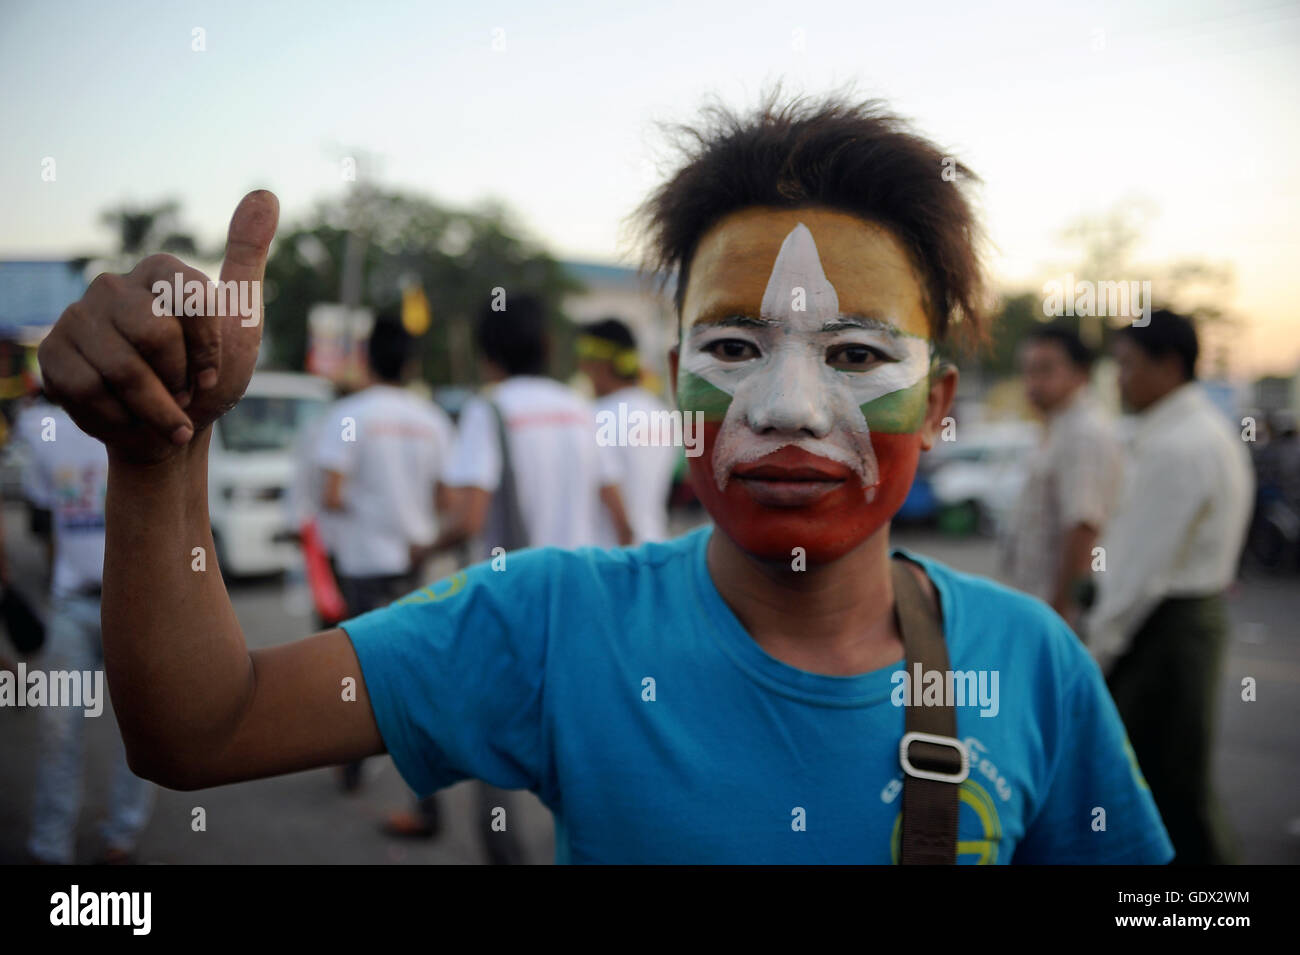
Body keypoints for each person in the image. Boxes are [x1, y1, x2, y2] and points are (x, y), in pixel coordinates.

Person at [37, 90, 1173, 863]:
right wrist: (158, 454)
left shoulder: (1032, 665)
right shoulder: (546, 624)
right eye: (731, 350)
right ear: (674, 376)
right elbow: (197, 727)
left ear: (937, 399)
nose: (781, 409)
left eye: (858, 354)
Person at [382, 296, 635, 855]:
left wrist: (424, 545)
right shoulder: (578, 408)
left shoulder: (489, 410)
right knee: (578, 745)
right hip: (583, 604)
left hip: (512, 607)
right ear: (547, 348)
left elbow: (469, 515)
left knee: (491, 743)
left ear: (487, 356)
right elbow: (621, 518)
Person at [1085, 308, 1253, 865]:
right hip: (1182, 619)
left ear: (1170, 364)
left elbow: (1136, 573)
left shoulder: (1178, 445)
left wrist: (1097, 654)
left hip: (1164, 627)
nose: (1119, 378)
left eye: (1128, 365)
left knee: (1165, 787)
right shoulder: (1198, 429)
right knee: (1172, 779)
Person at [314, 314, 456, 793]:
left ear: (366, 358)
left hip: (361, 562)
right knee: (417, 673)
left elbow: (331, 494)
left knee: (356, 672)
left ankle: (350, 767)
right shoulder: (431, 419)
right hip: (416, 562)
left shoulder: (350, 415)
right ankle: (427, 790)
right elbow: (446, 500)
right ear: (411, 364)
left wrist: (369, 507)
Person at [20, 405, 154, 864]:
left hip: (137, 610)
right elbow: (49, 520)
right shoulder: (42, 429)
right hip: (71, 606)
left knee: (142, 732)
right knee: (58, 730)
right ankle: (49, 844)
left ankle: (123, 834)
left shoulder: (145, 415)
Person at [1001, 321, 1122, 627]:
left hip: (1055, 613)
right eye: (1028, 370)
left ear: (1080, 374)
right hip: (1035, 604)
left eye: (1045, 370)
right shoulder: (1057, 428)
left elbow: (1083, 528)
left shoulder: (1083, 433)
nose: (1033, 382)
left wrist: (1059, 616)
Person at [576, 317, 680, 546]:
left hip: (611, 555)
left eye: (585, 360)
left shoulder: (592, 417)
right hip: (656, 546)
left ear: (601, 363)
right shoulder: (661, 413)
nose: (581, 368)